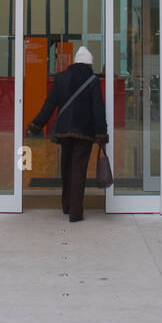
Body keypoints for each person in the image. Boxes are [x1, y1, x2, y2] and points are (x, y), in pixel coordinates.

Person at [26, 46, 108, 222]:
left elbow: (49, 105)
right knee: (79, 170)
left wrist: (37, 125)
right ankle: (75, 212)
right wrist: (101, 133)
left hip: (64, 131)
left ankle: (66, 205)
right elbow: (98, 109)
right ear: (90, 63)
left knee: (66, 168)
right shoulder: (92, 80)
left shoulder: (61, 78)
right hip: (84, 132)